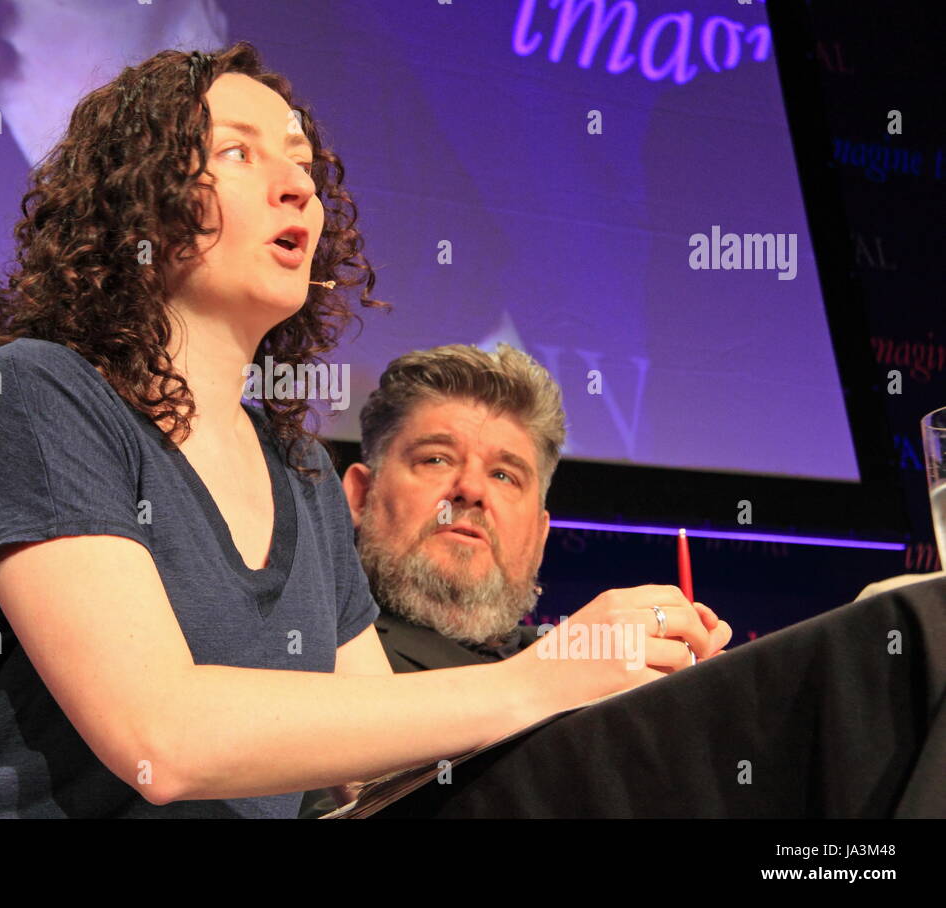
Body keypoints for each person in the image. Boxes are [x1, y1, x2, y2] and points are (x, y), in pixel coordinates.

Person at [0, 42, 730, 819]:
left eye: (303, 160)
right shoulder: (35, 396)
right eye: (239, 151)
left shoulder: (300, 471)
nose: (298, 182)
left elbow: (375, 773)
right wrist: (542, 677)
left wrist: (622, 701)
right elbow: (162, 735)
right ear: (140, 204)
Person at [300, 342, 730, 815]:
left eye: (505, 475)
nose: (471, 490)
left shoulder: (598, 672)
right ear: (359, 495)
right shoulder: (308, 654)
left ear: (542, 534)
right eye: (436, 459)